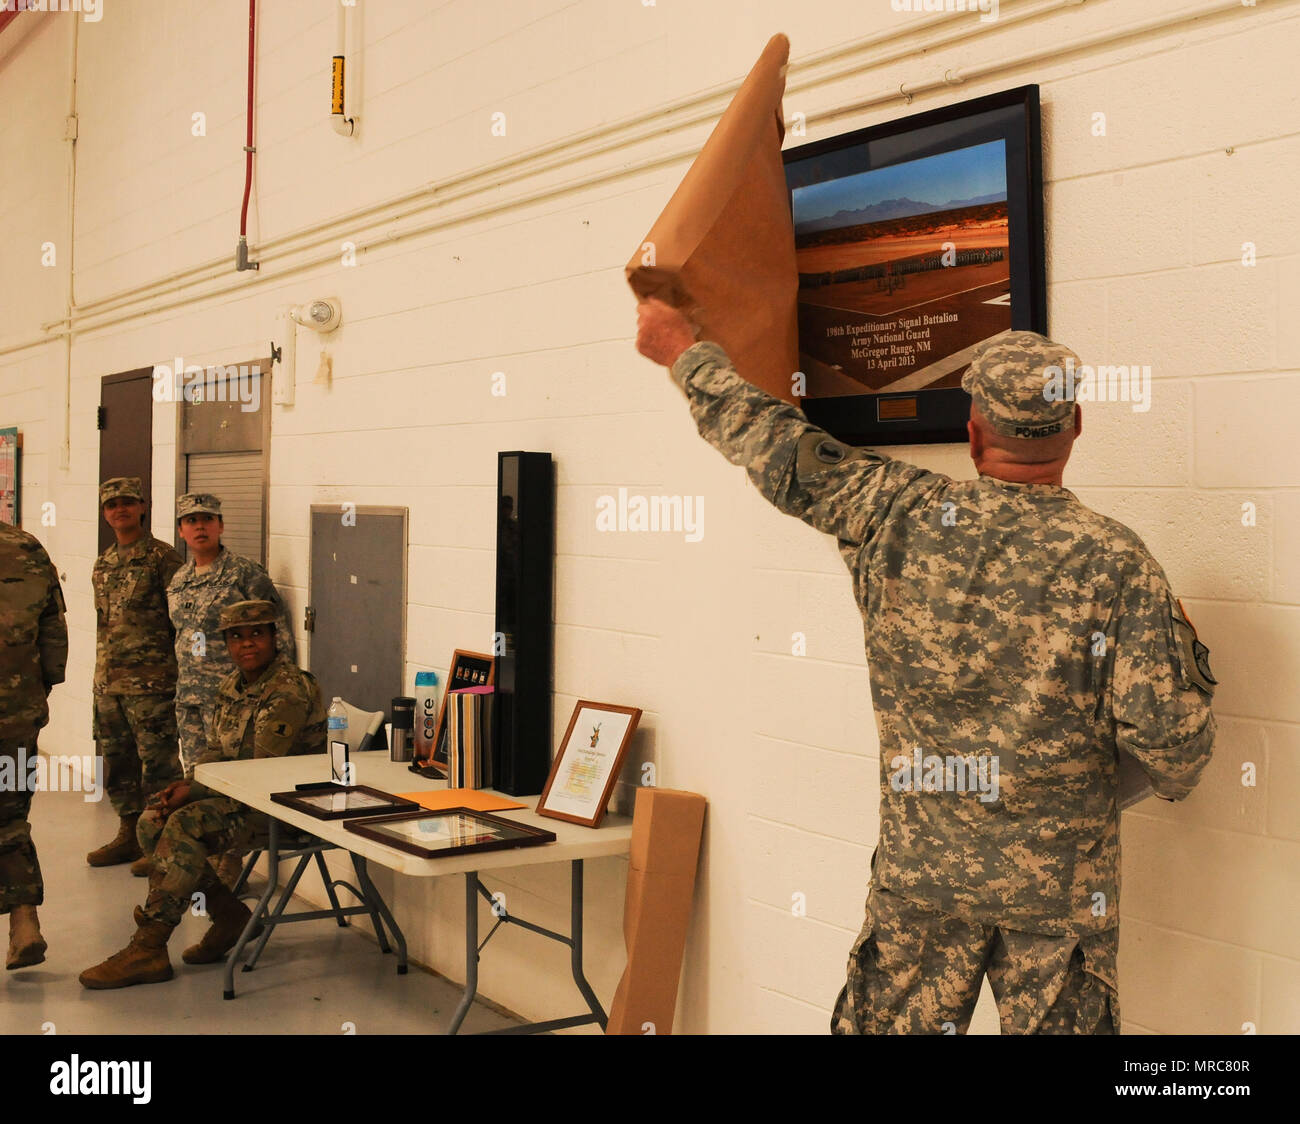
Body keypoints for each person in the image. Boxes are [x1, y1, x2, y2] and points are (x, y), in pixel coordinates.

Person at [635, 298, 1216, 1034]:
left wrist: (686, 352)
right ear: (1074, 428)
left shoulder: (894, 513)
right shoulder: (1118, 562)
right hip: (1060, 898)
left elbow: (773, 443)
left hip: (921, 883)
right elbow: (1175, 746)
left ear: (973, 434)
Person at [79, 599, 326, 989]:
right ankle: (229, 915)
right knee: (152, 821)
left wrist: (194, 792)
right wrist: (187, 784)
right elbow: (217, 748)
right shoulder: (234, 683)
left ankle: (149, 947)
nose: (247, 644)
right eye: (236, 637)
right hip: (243, 797)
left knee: (182, 828)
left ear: (274, 637)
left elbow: (256, 764)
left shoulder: (289, 689)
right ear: (226, 643)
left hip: (285, 808)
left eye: (257, 634)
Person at [166, 492, 296, 885]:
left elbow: (279, 634)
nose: (199, 527)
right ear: (181, 531)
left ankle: (231, 860)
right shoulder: (179, 579)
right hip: (189, 694)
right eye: (191, 521)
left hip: (234, 700)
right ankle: (199, 859)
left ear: (221, 526)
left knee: (235, 778)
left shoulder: (244, 574)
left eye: (207, 519)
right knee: (198, 775)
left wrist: (276, 689)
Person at [87, 477, 184, 868]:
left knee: (158, 765)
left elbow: (181, 621)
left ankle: (162, 844)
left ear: (142, 507)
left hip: (153, 685)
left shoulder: (163, 559)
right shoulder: (104, 562)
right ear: (105, 512)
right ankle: (129, 833)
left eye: (128, 502)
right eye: (112, 505)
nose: (120, 509)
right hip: (109, 685)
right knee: (119, 763)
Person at [0, 523, 67, 969]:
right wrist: (37, 691)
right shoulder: (25, 545)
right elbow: (53, 630)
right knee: (10, 812)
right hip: (17, 709)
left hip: (18, 709)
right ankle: (25, 922)